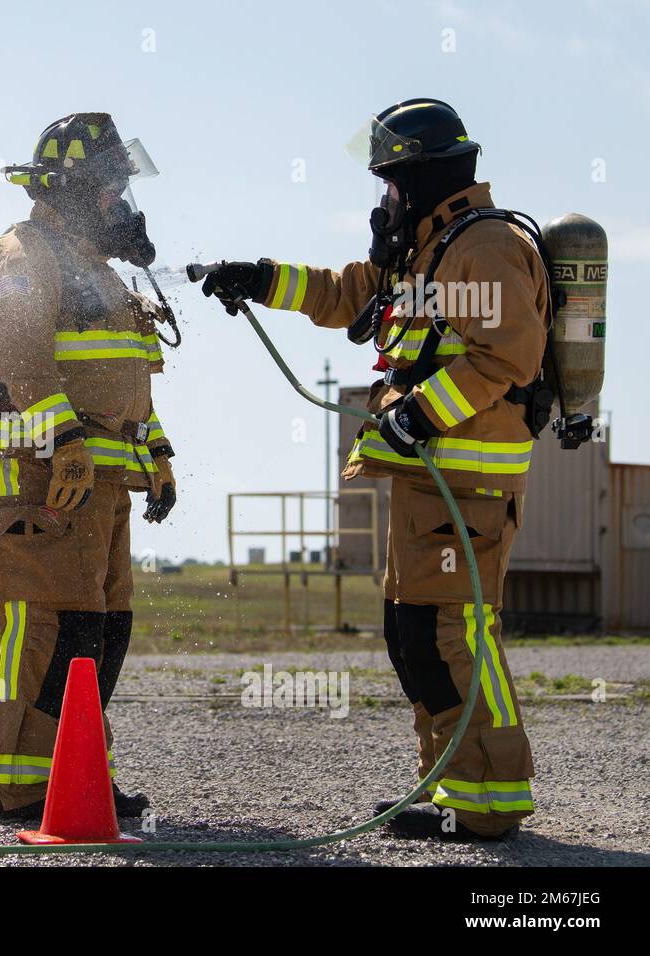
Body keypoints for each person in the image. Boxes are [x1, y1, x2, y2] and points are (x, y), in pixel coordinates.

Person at [201, 99, 544, 841]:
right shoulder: (428, 250)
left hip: (470, 483)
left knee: (453, 633)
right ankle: (460, 789)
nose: (383, 198)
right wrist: (255, 277)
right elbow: (344, 292)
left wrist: (419, 415)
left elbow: (506, 355)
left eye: (390, 183)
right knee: (412, 632)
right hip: (433, 485)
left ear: (419, 176)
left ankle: (494, 801)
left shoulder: (480, 248)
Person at [0, 112, 178, 822]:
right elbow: (16, 350)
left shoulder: (100, 273)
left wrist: (158, 452)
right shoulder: (26, 254)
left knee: (102, 630)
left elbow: (125, 380)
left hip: (102, 484)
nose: (122, 198)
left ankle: (77, 766)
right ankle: (23, 781)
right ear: (78, 187)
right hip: (41, 475)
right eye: (113, 185)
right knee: (49, 625)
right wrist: (64, 440)